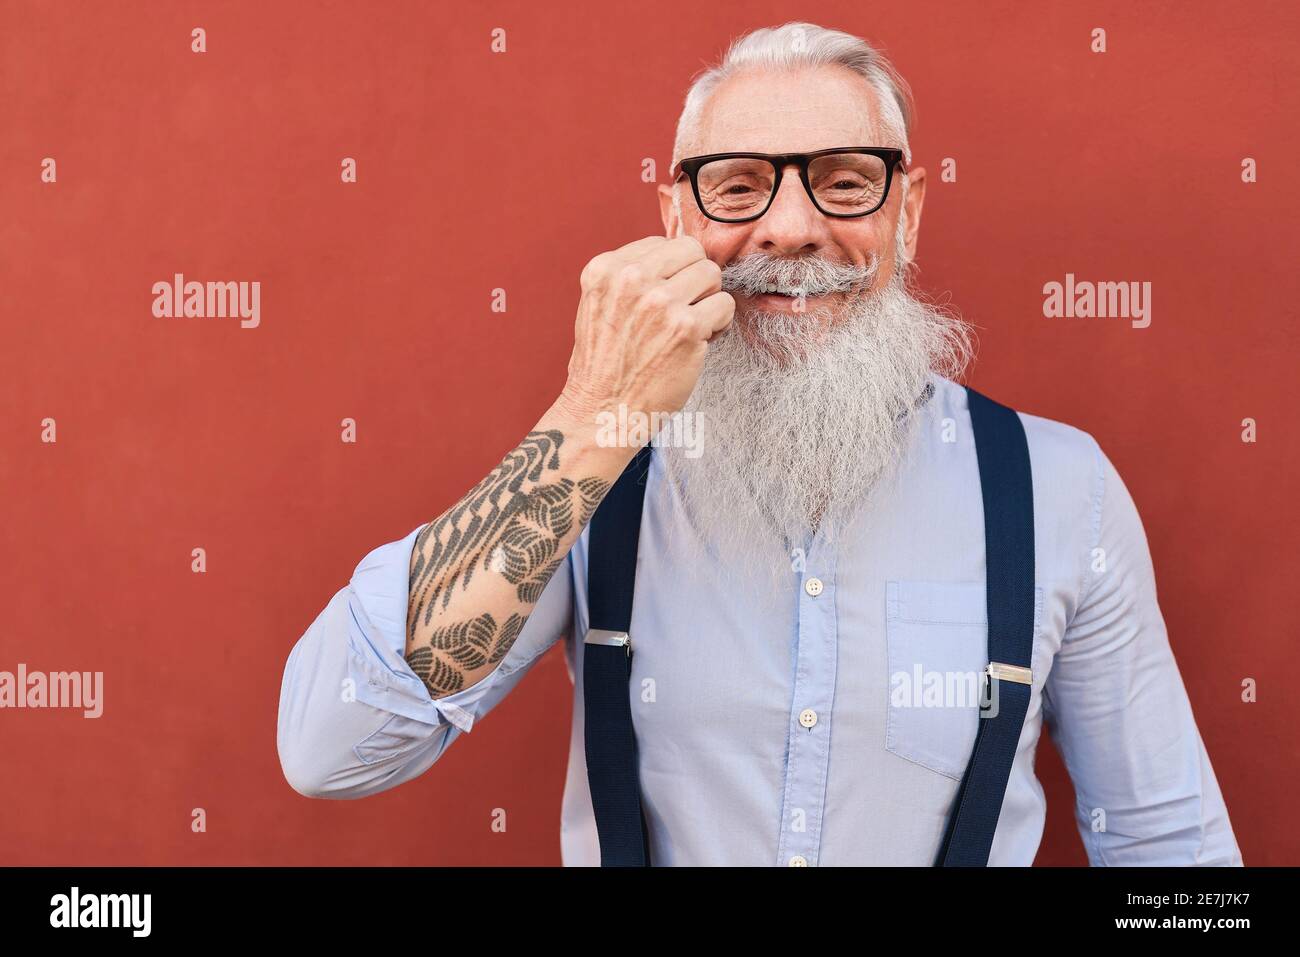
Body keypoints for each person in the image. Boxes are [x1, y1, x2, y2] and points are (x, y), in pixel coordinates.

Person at [276, 21, 1241, 866]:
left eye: (845, 183)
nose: (790, 227)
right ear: (674, 219)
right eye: (737, 187)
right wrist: (591, 409)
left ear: (907, 216)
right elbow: (334, 746)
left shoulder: (1057, 489)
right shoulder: (599, 474)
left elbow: (1170, 853)